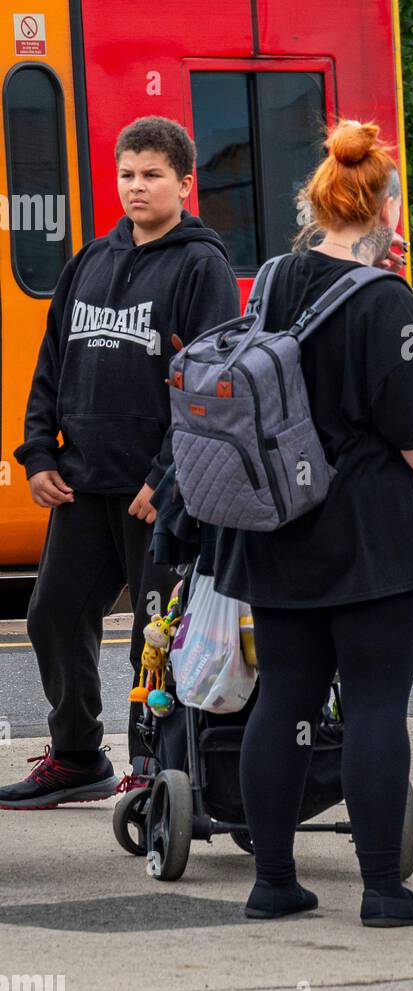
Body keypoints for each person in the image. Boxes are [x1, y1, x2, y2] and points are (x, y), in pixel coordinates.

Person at [213, 119, 413, 926]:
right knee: (372, 705)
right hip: (371, 534)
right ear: (384, 206)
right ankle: (382, 889)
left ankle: (274, 880)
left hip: (280, 520)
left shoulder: (277, 280)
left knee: (283, 697)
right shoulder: (389, 298)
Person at [1, 116, 239, 810]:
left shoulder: (203, 267)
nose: (137, 187)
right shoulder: (89, 263)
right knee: (51, 613)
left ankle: (151, 764)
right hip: (82, 488)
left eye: (152, 175)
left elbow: (211, 384)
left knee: (154, 637)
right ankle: (78, 758)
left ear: (185, 183)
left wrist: (165, 478)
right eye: (127, 174)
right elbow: (52, 366)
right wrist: (39, 451)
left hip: (156, 495)